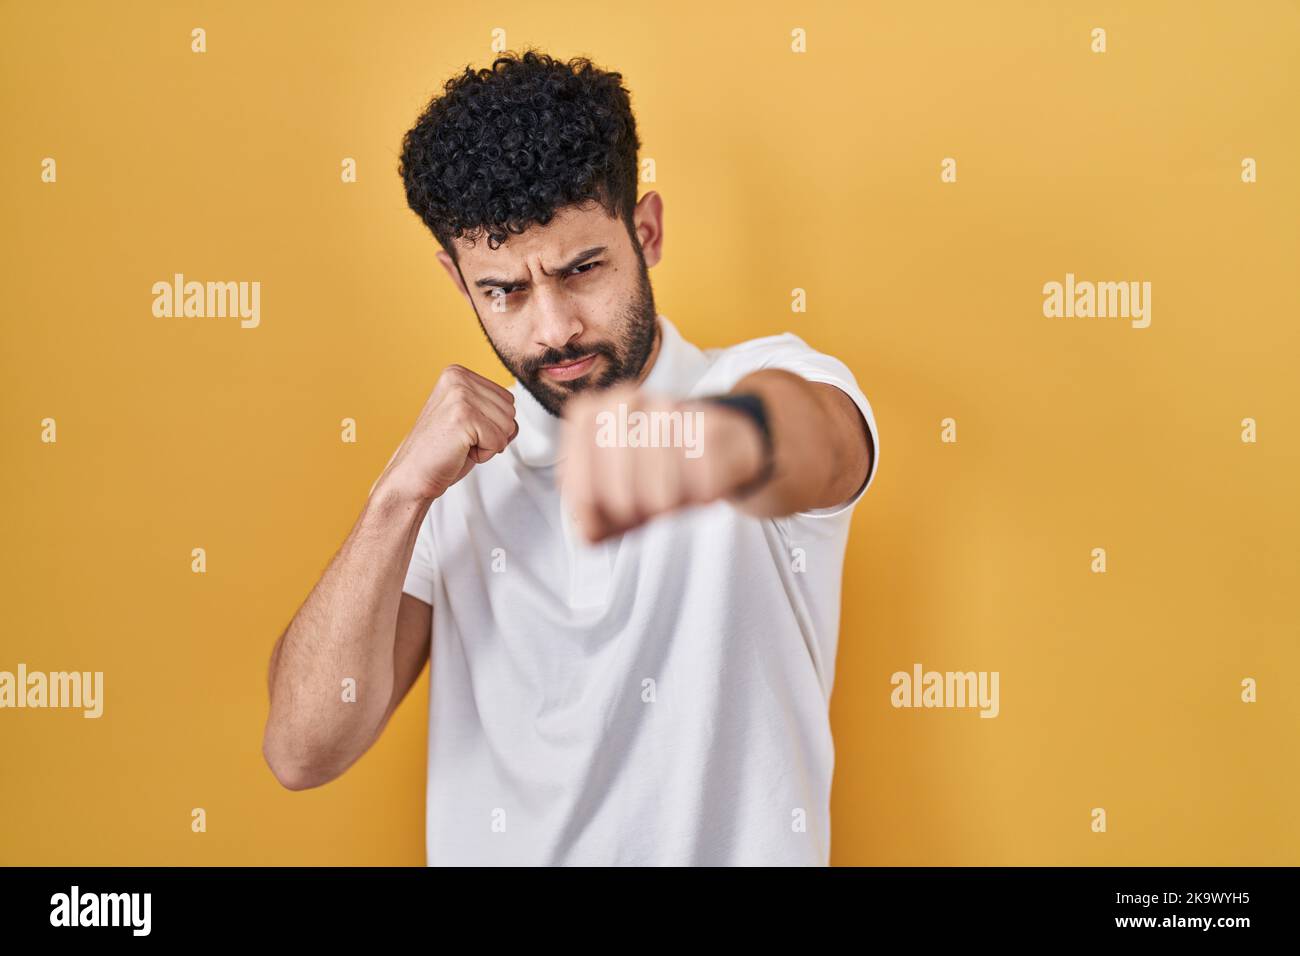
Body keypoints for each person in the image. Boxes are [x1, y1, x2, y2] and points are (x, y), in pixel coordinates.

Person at [262, 49, 880, 866]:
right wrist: (397, 497)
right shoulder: (450, 480)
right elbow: (302, 752)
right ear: (457, 280)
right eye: (504, 291)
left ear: (646, 232)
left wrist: (691, 444)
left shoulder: (763, 382)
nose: (553, 328)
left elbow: (816, 444)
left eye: (582, 268)